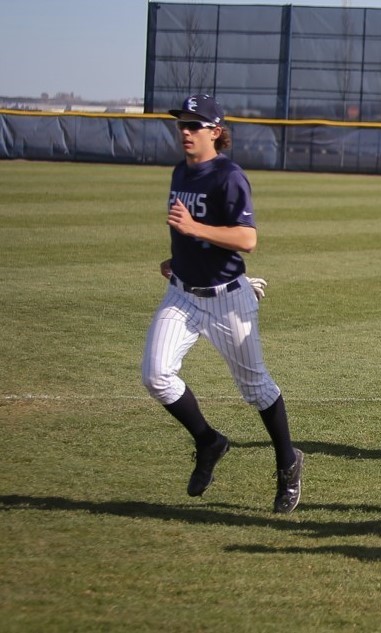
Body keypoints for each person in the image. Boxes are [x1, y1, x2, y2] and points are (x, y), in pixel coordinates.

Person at [141, 94, 303, 513]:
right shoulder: (180, 171)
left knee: (256, 389)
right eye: (182, 125)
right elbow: (186, 235)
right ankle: (209, 441)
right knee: (156, 375)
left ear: (216, 131)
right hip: (181, 293)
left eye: (195, 125)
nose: (186, 132)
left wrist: (196, 227)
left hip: (228, 300)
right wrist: (177, 258)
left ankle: (288, 462)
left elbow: (247, 240)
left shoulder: (228, 176)